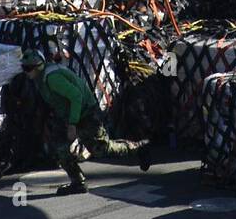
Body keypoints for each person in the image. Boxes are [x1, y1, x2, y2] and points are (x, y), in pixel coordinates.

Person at [21, 48, 151, 194]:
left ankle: (138, 147)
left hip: (85, 112)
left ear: (38, 66)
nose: (26, 71)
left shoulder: (52, 78)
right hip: (67, 114)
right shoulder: (40, 77)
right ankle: (78, 182)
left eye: (28, 68)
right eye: (24, 68)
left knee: (101, 149)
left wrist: (73, 124)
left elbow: (76, 96)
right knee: (59, 147)